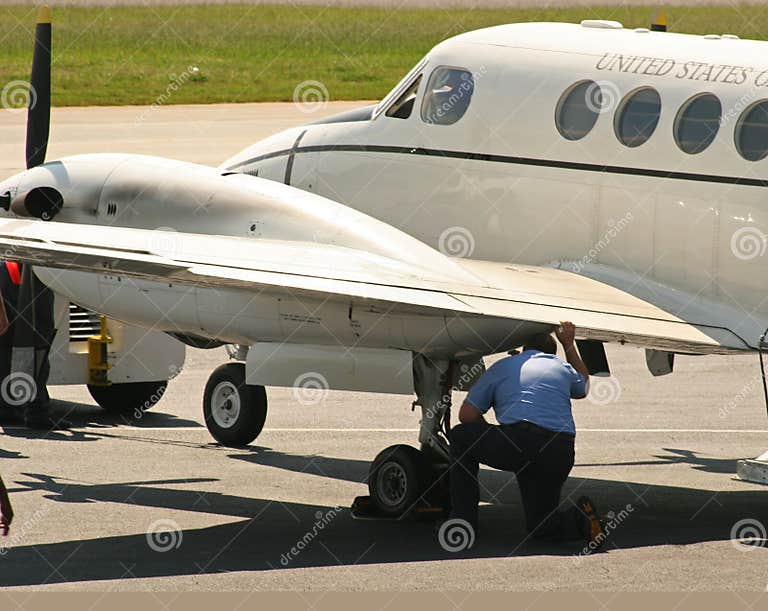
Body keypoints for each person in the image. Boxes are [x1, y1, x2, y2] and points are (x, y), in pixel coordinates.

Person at [445, 321, 604, 547]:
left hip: (519, 443)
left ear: (523, 350)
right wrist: (568, 343)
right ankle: (580, 518)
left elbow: (467, 415)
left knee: (461, 437)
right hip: (559, 452)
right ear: (552, 353)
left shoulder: (505, 366)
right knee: (541, 527)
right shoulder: (561, 368)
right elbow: (584, 386)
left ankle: (463, 522)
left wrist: (491, 434)